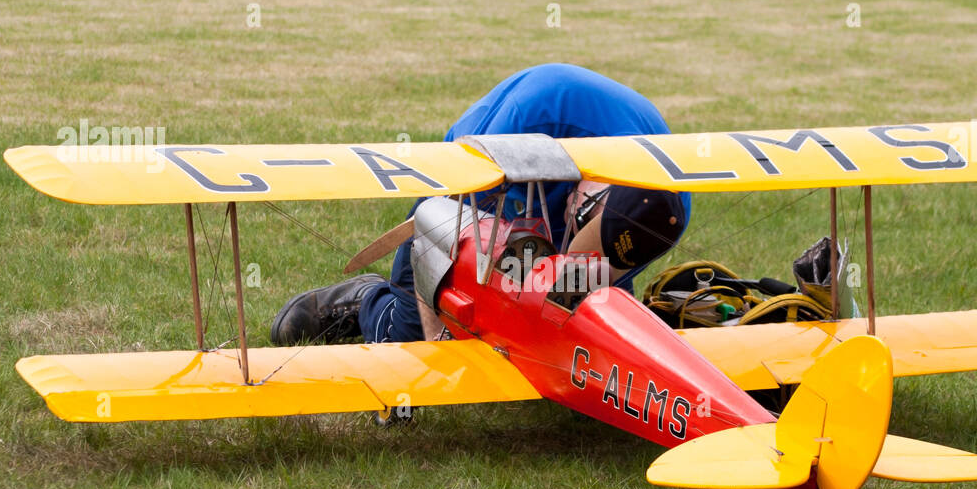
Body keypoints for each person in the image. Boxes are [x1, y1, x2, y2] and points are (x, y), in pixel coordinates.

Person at [270, 63, 690, 346]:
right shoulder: (519, 129)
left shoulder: (668, 207)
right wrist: (434, 339)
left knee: (574, 329)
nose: (577, 250)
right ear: (588, 196)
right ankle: (366, 302)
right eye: (579, 227)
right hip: (495, 179)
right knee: (413, 339)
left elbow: (590, 284)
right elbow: (436, 228)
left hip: (579, 180)